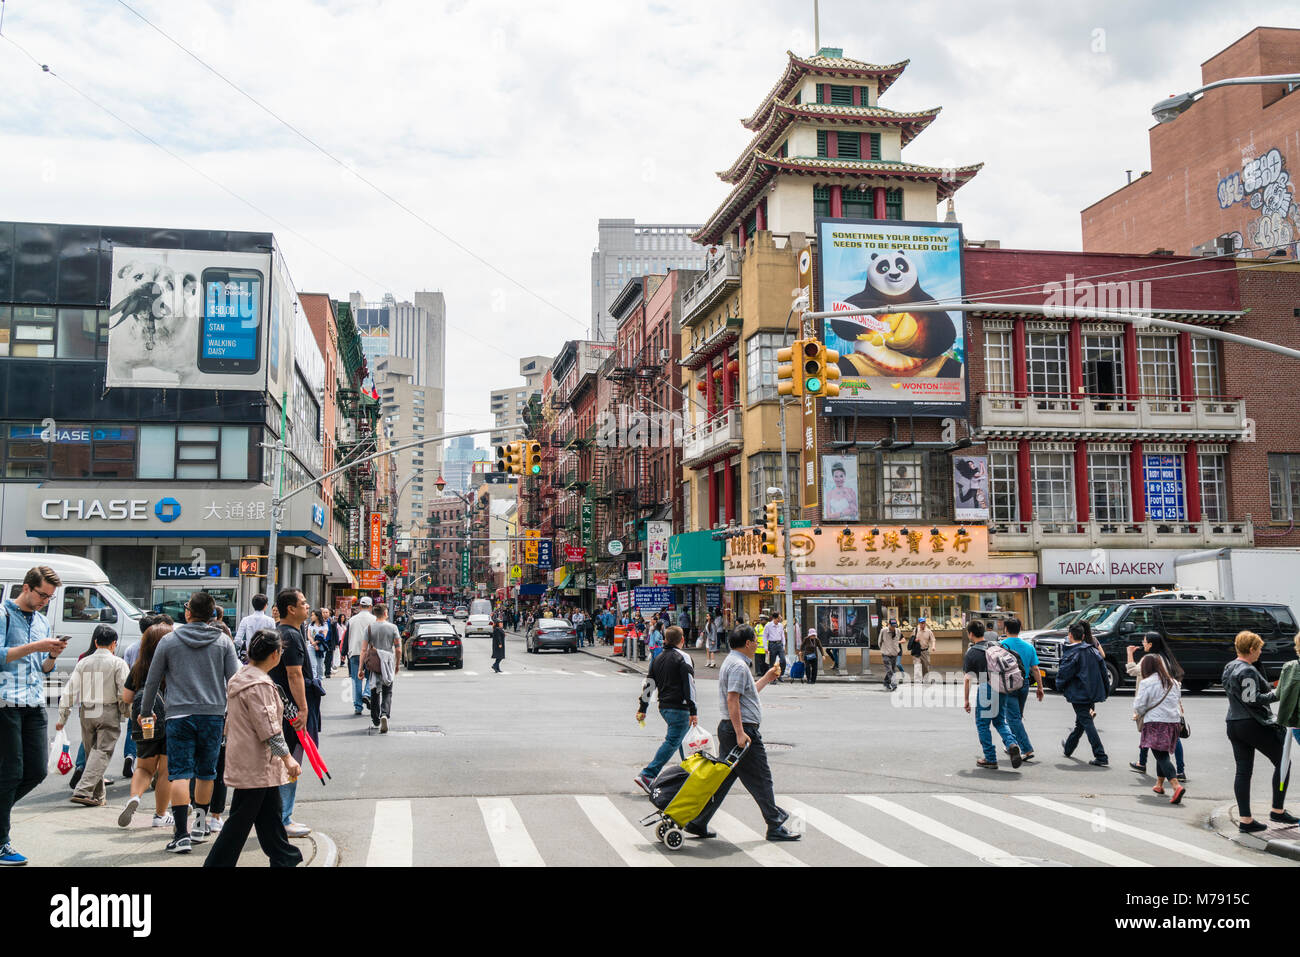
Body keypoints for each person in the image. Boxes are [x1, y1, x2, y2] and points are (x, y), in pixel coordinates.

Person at [139, 589, 240, 853]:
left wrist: (146, 710)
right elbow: (235, 680)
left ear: (188, 612)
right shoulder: (222, 642)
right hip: (213, 715)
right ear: (211, 615)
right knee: (207, 772)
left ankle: (181, 834)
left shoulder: (170, 641)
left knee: (180, 773)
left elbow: (152, 679)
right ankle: (200, 825)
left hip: (179, 715)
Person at [687, 626, 799, 842]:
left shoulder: (733, 662)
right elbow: (733, 699)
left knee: (723, 780)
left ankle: (698, 821)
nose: (757, 644)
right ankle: (774, 825)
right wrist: (740, 733)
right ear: (747, 643)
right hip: (742, 731)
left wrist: (766, 678)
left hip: (734, 728)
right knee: (762, 778)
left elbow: (745, 695)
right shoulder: (738, 666)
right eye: (755, 641)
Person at [202, 629, 303, 868]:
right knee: (240, 823)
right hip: (258, 763)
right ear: (275, 655)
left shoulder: (241, 678)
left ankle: (285, 858)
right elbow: (269, 728)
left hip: (248, 760)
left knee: (270, 818)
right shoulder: (260, 686)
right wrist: (288, 759)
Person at [0, 566, 65, 865]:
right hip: (6, 701)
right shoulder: (3, 613)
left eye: (50, 598)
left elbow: (42, 667)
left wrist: (51, 654)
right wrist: (37, 646)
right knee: (11, 771)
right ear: (26, 587)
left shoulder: (41, 621)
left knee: (37, 771)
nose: (45, 602)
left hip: (34, 702)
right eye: (42, 595)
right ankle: (2, 841)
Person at [1222, 630, 1295, 833]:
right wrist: (1278, 694)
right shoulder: (1248, 670)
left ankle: (1246, 820)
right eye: (1260, 649)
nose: (1260, 653)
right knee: (1283, 762)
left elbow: (1240, 695)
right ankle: (1277, 810)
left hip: (1233, 722)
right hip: (1252, 724)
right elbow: (1252, 699)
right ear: (1252, 649)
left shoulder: (1229, 667)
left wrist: (1270, 687)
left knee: (1243, 771)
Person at [57, 625, 130, 807]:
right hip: (108, 709)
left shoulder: (83, 662)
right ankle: (83, 790)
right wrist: (127, 711)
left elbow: (69, 691)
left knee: (93, 754)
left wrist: (62, 717)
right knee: (102, 752)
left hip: (87, 710)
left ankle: (98, 797)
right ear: (114, 644)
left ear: (96, 642)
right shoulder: (118, 663)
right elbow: (123, 691)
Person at [118, 622, 175, 830]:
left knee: (143, 767)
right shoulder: (174, 665)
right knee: (165, 771)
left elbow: (127, 696)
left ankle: (134, 797)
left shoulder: (139, 665)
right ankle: (160, 815)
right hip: (169, 721)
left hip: (145, 721)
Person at [633, 625, 699, 793]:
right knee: (673, 741)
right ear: (682, 640)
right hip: (680, 707)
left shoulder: (657, 659)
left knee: (683, 741)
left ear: (665, 640)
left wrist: (643, 708)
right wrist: (693, 710)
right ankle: (648, 774)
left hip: (664, 706)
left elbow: (649, 685)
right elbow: (689, 685)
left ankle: (691, 775)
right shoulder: (684, 657)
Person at [269, 589, 312, 838]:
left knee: (278, 760)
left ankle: (279, 816)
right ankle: (284, 818)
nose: (308, 607)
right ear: (291, 609)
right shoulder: (291, 636)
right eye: (303, 603)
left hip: (277, 706)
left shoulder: (278, 632)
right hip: (290, 710)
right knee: (291, 762)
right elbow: (294, 674)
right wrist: (303, 709)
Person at [962, 620, 1027, 770]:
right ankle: (1011, 744)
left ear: (970, 634)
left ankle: (990, 758)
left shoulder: (972, 652)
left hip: (986, 686)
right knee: (999, 721)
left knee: (983, 724)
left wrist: (966, 700)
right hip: (1001, 686)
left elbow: (967, 679)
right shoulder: (996, 645)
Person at [1126, 631, 1187, 779]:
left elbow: (1132, 671)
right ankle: (1179, 770)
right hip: (1170, 702)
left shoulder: (1150, 659)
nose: (1143, 643)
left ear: (1151, 644)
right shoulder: (1166, 658)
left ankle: (1170, 776)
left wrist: (1129, 653)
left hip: (1153, 704)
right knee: (1173, 736)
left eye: (1145, 641)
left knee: (1150, 734)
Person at [1132, 654, 1185, 804]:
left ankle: (1176, 786)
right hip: (1173, 723)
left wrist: (1138, 713)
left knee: (1161, 756)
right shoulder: (1174, 682)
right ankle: (1159, 785)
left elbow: (1139, 705)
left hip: (1155, 722)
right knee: (1161, 752)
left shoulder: (1146, 683)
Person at [1057, 621, 1110, 767]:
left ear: (1070, 636)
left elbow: (1064, 674)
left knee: (1086, 721)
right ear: (1084, 635)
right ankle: (1068, 747)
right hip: (1091, 692)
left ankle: (1101, 755)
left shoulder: (1073, 653)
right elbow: (1103, 671)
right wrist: (1104, 690)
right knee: (1081, 722)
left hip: (1079, 693)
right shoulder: (1092, 650)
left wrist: (1059, 686)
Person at [997, 618, 1041, 761]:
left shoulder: (1001, 646)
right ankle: (1011, 743)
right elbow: (1035, 668)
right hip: (1025, 684)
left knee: (1013, 718)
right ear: (1020, 629)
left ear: (1006, 629)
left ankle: (1026, 748)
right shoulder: (1029, 647)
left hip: (1009, 685)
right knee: (1016, 716)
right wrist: (1040, 687)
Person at [361, 604, 400, 733]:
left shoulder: (369, 629)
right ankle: (384, 714)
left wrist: (360, 668)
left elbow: (363, 649)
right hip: (388, 662)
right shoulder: (393, 627)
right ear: (385, 613)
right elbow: (398, 649)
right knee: (387, 690)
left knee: (374, 690)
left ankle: (376, 719)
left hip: (375, 662)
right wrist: (397, 664)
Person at [346, 596, 377, 716]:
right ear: (370, 607)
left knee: (356, 679)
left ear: (360, 606)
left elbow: (347, 636)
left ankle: (358, 706)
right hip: (369, 652)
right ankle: (367, 693)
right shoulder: (374, 619)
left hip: (354, 651)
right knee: (371, 677)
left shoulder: (352, 620)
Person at [233, 594, 275, 664]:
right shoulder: (270, 620)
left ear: (253, 605)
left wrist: (246, 645)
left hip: (250, 655)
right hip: (265, 655)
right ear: (265, 606)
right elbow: (274, 640)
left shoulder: (245, 620)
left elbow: (237, 640)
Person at [878, 620, 901, 692]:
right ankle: (894, 684)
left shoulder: (898, 631)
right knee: (889, 670)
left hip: (894, 653)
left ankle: (886, 682)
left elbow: (898, 640)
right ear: (889, 624)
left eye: (895, 626)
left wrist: (897, 649)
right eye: (892, 626)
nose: (893, 628)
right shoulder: (883, 631)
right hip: (886, 653)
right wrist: (883, 649)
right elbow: (879, 642)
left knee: (892, 669)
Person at [765, 612, 787, 682]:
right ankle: (772, 679)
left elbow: (782, 636)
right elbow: (764, 637)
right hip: (772, 644)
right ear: (775, 618)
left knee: (783, 660)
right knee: (772, 663)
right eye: (779, 618)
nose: (780, 619)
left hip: (779, 644)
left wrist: (784, 645)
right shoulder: (768, 625)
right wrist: (765, 647)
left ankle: (780, 675)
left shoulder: (780, 625)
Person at [913, 616, 936, 683]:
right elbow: (912, 639)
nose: (922, 624)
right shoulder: (915, 630)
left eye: (923, 623)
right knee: (917, 666)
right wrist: (915, 640)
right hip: (917, 651)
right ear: (919, 623)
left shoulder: (928, 631)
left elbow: (933, 640)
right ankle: (917, 682)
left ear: (925, 623)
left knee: (925, 667)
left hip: (925, 651)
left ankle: (925, 680)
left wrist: (933, 647)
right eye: (921, 623)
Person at [307, 611, 328, 680]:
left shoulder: (324, 625)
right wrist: (313, 643)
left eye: (313, 615)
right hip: (311, 647)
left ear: (317, 616)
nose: (311, 617)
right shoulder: (311, 625)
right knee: (313, 664)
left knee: (320, 664)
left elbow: (324, 635)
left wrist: (316, 642)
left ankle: (320, 678)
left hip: (321, 647)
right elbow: (309, 636)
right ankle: (314, 680)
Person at [323, 610, 341, 678]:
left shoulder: (332, 622)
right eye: (324, 612)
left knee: (329, 658)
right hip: (322, 642)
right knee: (322, 658)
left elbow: (335, 632)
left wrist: (336, 643)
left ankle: (327, 672)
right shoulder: (320, 622)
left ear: (329, 613)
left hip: (330, 642)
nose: (325, 614)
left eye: (326, 612)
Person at [753, 615, 768, 679]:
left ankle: (765, 672)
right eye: (760, 620)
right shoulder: (758, 626)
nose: (761, 621)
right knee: (759, 661)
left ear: (766, 620)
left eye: (762, 620)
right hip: (758, 648)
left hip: (766, 648)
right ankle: (758, 672)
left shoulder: (768, 626)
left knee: (765, 661)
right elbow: (755, 634)